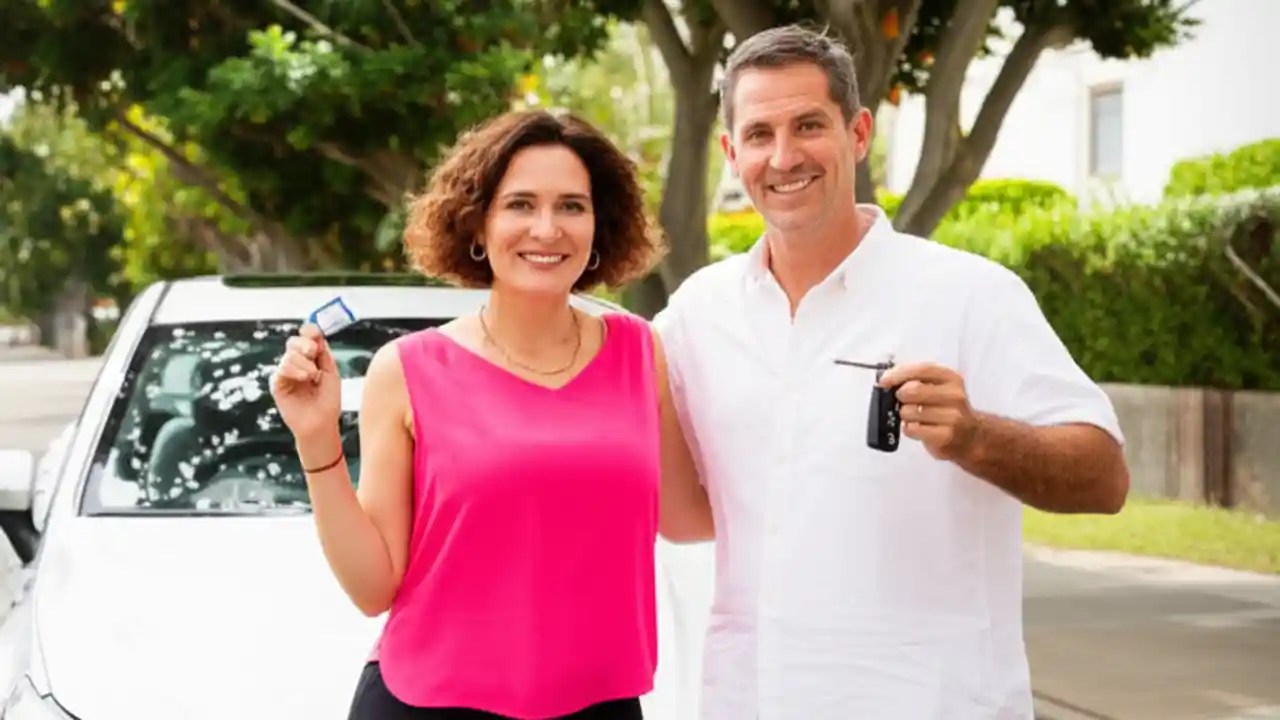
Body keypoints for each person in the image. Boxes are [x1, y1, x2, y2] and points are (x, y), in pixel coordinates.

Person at [653, 24, 1130, 720]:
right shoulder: (697, 315)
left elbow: (1105, 477)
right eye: (758, 134)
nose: (783, 157)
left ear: (858, 133)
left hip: (928, 702)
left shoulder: (970, 295)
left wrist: (974, 438)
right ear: (731, 153)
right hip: (748, 701)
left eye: (808, 125)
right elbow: (675, 508)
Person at [271, 109, 711, 720]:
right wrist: (316, 438)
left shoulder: (640, 352)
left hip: (598, 705)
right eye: (520, 205)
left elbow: (689, 517)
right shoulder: (408, 369)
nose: (547, 228)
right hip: (429, 704)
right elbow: (373, 589)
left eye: (572, 206)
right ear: (479, 223)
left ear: (600, 224)